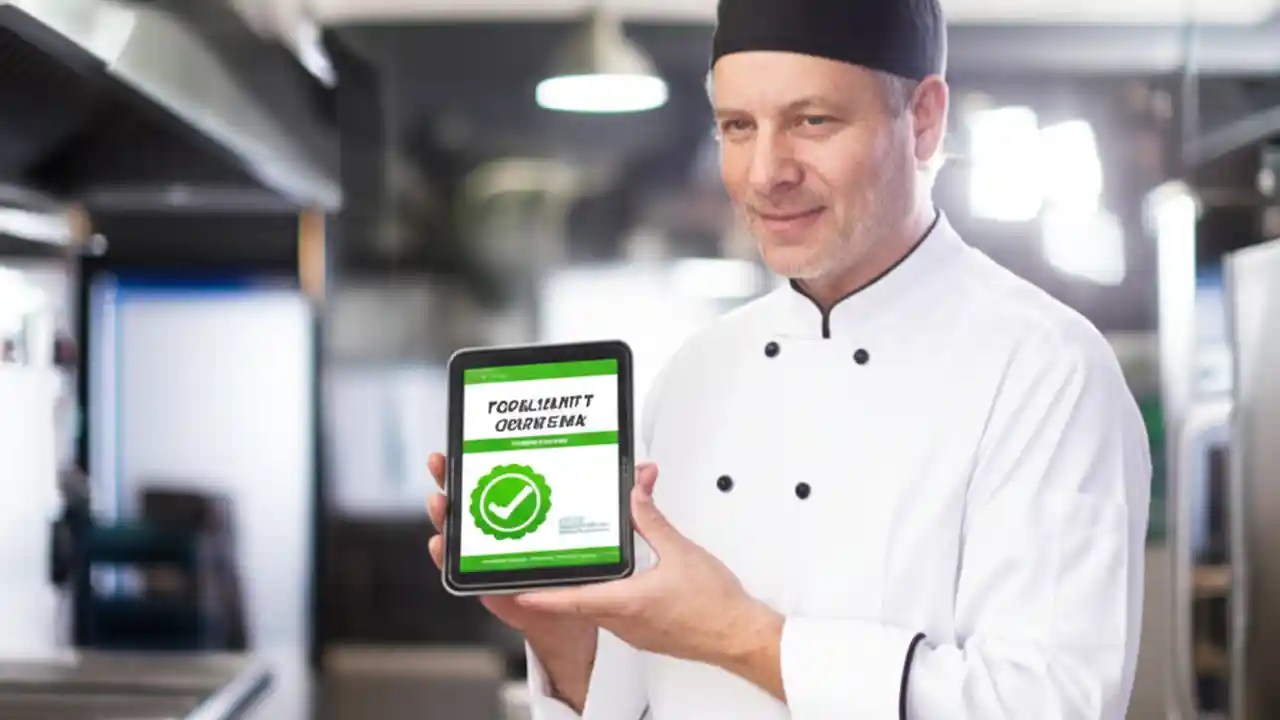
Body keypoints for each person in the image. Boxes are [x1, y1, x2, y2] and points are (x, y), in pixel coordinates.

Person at [426, 0, 1152, 716]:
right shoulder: (695, 373)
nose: (765, 172)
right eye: (738, 126)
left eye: (813, 121)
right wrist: (562, 638)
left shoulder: (1045, 369)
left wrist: (738, 633)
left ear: (924, 120)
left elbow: (1044, 705)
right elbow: (651, 701)